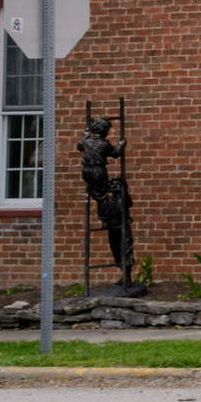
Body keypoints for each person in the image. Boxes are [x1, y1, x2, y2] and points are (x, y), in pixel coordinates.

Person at [77, 116, 136, 283]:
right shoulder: (104, 144)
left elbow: (79, 145)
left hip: (86, 171)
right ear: (104, 131)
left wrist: (84, 135)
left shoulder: (87, 142)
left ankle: (126, 276)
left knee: (97, 193)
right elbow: (116, 155)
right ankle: (103, 215)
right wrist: (121, 144)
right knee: (102, 195)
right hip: (98, 170)